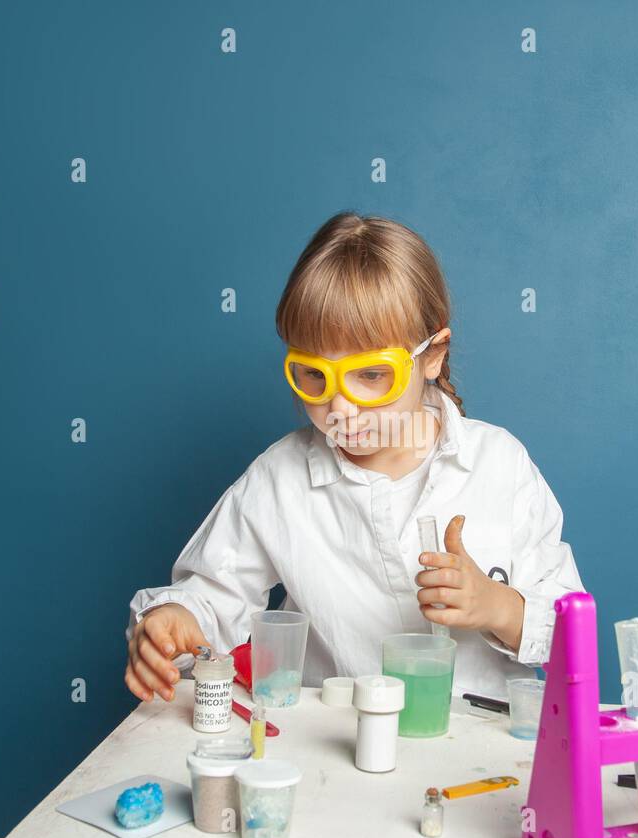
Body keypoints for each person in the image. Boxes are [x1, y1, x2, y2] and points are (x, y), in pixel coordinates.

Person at [125, 211, 584, 703]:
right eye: (315, 376)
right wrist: (172, 621)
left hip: (480, 754)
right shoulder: (280, 478)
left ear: (432, 356)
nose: (340, 407)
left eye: (370, 375)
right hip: (334, 754)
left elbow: (572, 641)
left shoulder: (500, 465)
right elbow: (213, 598)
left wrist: (496, 607)